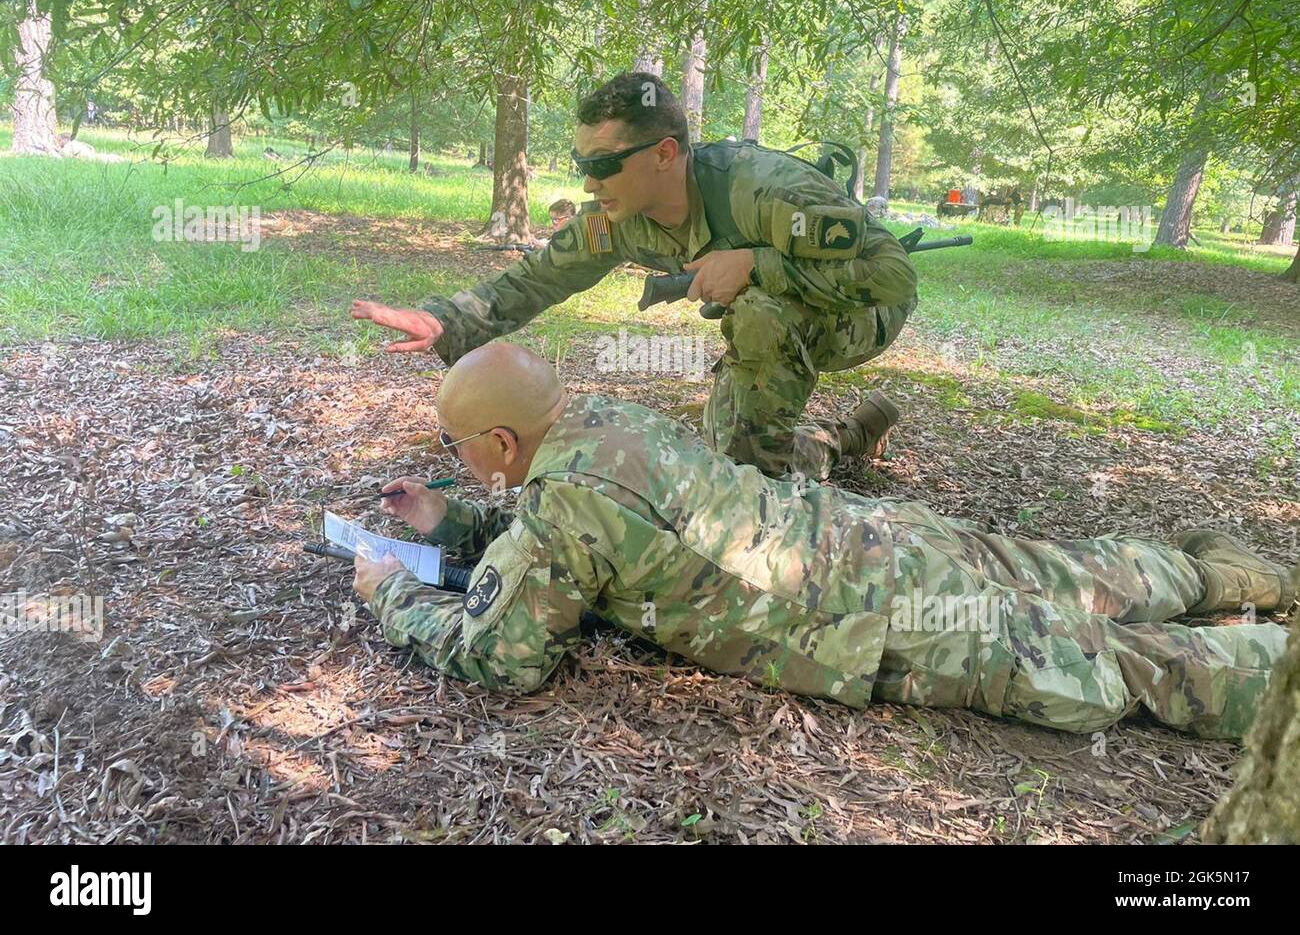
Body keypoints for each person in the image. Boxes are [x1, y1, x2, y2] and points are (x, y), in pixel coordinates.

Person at [353, 342, 1296, 741]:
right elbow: (582, 523)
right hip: (863, 532)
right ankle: (1232, 574)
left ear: (503, 443)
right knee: (1066, 568)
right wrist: (457, 520)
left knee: (1104, 665)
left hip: (864, 612)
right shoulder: (599, 414)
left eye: (457, 449)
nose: (454, 458)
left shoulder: (561, 511)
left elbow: (503, 654)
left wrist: (390, 591)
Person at [351, 72, 917, 480]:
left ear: (665, 154)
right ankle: (846, 439)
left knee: (759, 325)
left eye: (602, 165)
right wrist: (442, 319)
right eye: (582, 167)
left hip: (861, 312)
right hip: (774, 318)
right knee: (729, 449)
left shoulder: (764, 190)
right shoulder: (617, 218)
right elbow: (539, 278)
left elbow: (894, 276)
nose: (590, 184)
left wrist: (757, 266)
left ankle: (759, 515)